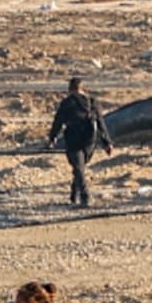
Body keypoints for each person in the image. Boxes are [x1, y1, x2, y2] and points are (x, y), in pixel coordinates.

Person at [50, 79, 105, 208]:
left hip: (73, 138)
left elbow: (58, 121)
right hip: (90, 139)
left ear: (70, 89)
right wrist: (106, 141)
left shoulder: (67, 103)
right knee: (79, 166)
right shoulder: (93, 102)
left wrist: (53, 137)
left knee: (78, 167)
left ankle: (84, 195)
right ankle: (77, 194)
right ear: (84, 88)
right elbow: (101, 122)